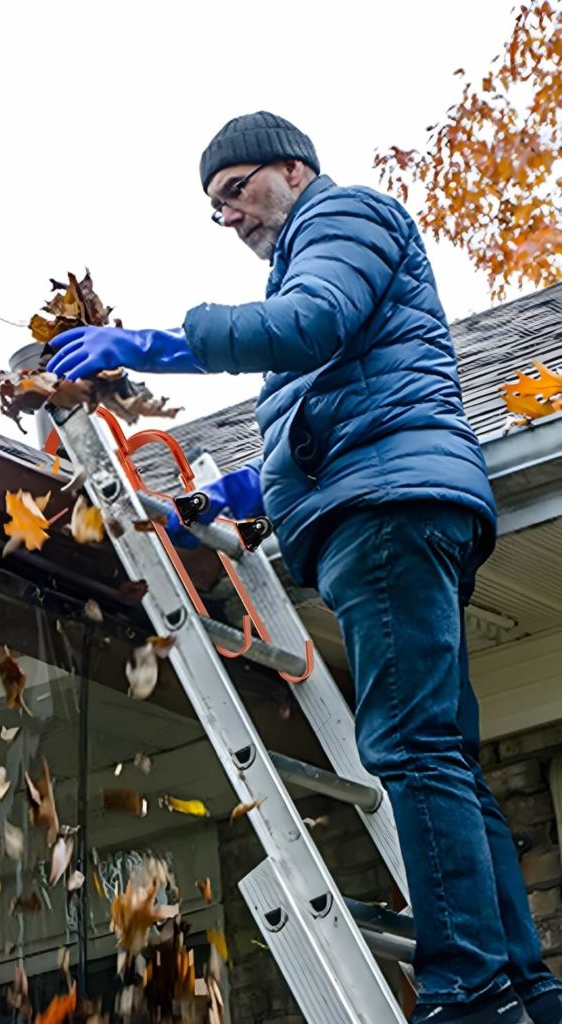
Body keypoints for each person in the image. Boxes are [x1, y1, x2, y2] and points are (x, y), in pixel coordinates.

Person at [46, 112, 562, 1024]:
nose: (232, 217)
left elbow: (309, 324)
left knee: (408, 749)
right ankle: (521, 985)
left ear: (293, 168)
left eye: (237, 191)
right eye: (215, 209)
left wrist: (152, 344)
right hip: (390, 503)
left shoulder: (341, 219)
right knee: (438, 752)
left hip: (387, 508)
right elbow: (331, 410)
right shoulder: (318, 271)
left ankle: (467, 989)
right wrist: (231, 496)